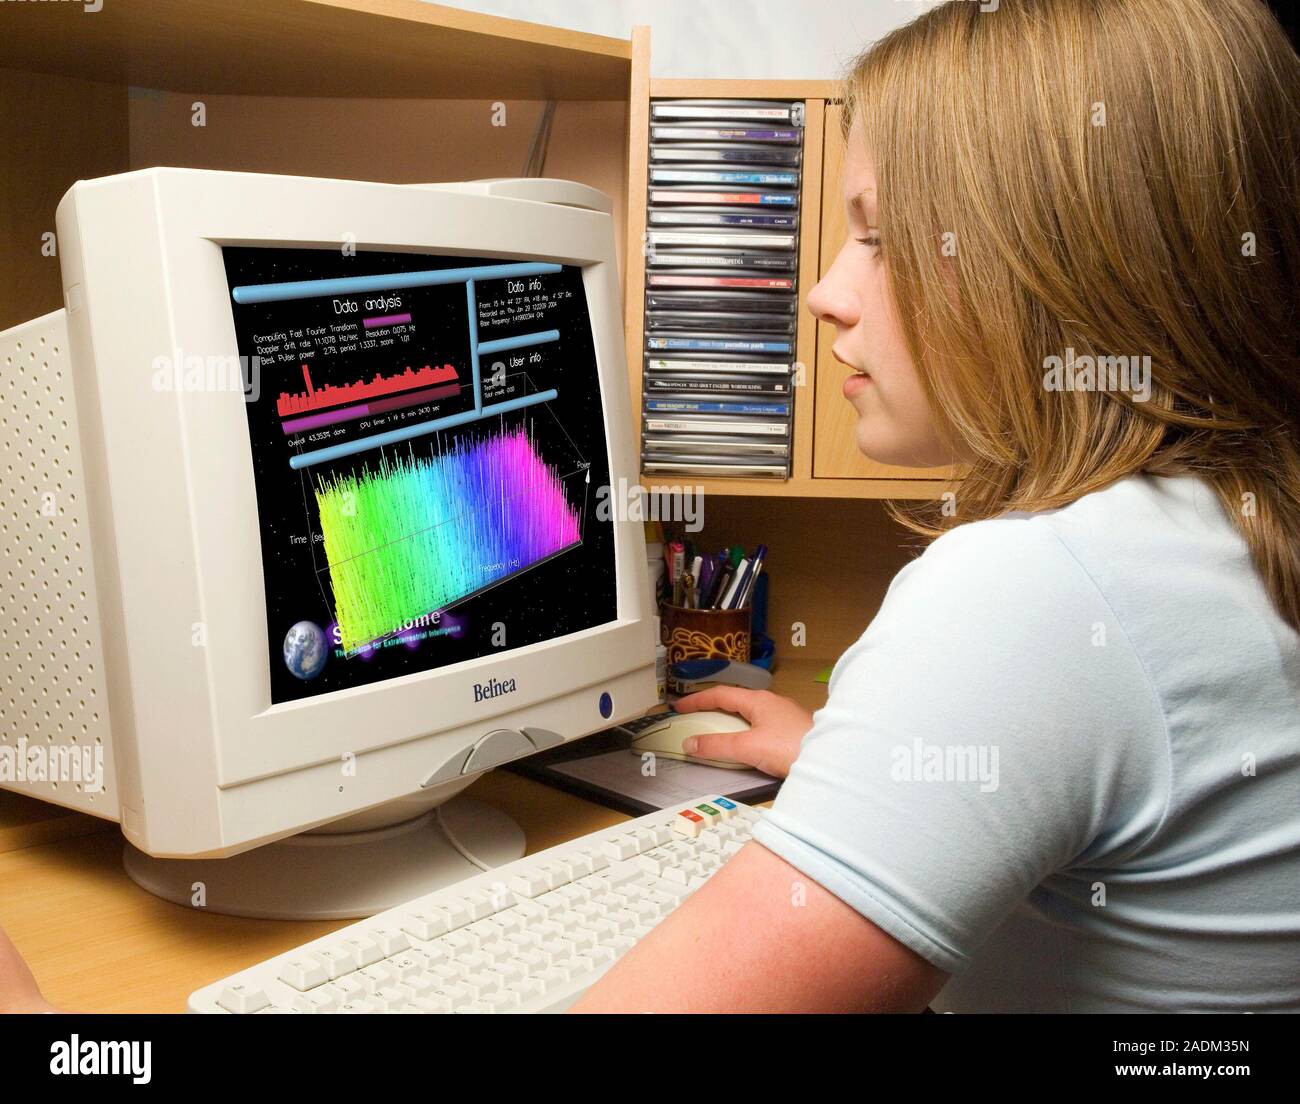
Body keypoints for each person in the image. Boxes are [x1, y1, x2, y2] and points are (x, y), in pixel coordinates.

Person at [574, 0, 1300, 1012]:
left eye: (875, 239)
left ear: (1051, 261)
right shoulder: (1233, 523)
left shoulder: (1038, 592)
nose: (825, 293)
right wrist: (881, 760)